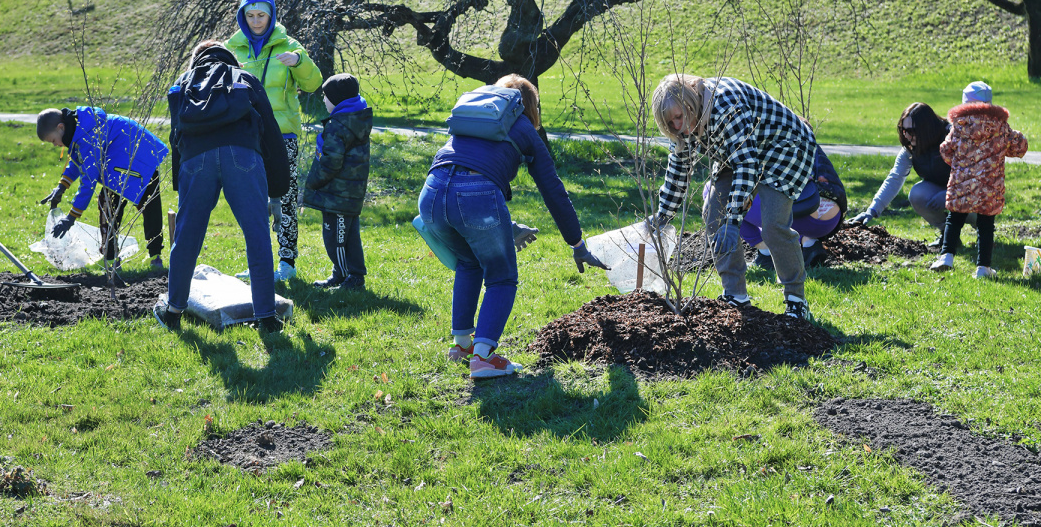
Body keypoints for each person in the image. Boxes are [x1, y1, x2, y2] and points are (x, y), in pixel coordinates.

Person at [416, 75, 607, 380]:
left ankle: (461, 346)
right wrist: (577, 244)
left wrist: (504, 226)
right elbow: (553, 190)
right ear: (529, 107)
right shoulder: (523, 127)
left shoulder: (474, 117)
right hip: (476, 198)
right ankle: (483, 358)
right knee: (502, 276)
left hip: (431, 192)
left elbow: (458, 170)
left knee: (468, 262)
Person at [648, 74, 817, 320]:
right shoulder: (682, 128)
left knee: (773, 225)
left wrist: (733, 220)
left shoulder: (726, 105)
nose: (677, 126)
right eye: (670, 122)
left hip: (784, 147)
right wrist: (664, 214)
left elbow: (747, 165)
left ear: (691, 104)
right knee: (713, 213)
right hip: (738, 153)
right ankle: (736, 295)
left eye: (679, 117)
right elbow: (678, 169)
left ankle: (797, 301)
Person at [153, 41, 290, 332]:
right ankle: (266, 317)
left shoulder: (183, 82)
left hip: (196, 159)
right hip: (243, 155)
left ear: (196, 60)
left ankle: (173, 311)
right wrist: (278, 187)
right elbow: (270, 131)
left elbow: (177, 135)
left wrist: (180, 183)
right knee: (256, 234)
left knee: (187, 236)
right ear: (230, 58)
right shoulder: (245, 78)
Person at [226, 0, 323, 283]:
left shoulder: (289, 45)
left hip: (283, 136)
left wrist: (300, 62)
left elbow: (313, 83)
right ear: (242, 16)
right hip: (246, 135)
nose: (256, 21)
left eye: (262, 15)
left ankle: (287, 262)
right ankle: (258, 263)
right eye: (250, 15)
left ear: (272, 15)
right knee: (251, 201)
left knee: (286, 197)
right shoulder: (232, 48)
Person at [36, 106, 168, 276]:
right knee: (130, 205)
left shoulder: (88, 135)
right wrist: (62, 186)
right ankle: (122, 260)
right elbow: (78, 158)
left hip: (137, 158)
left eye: (53, 140)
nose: (55, 145)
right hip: (131, 157)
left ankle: (125, 259)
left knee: (120, 205)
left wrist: (71, 217)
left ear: (60, 127)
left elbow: (88, 181)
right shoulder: (80, 126)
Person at [930, 81, 1028, 278]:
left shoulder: (959, 125)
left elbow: (945, 149)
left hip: (961, 182)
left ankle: (946, 257)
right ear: (989, 103)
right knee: (986, 225)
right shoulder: (1000, 126)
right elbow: (1019, 148)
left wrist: (958, 165)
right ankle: (983, 268)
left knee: (954, 219)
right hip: (990, 186)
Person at [846, 102, 960, 248]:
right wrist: (872, 210)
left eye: (911, 130)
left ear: (926, 128)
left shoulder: (953, 136)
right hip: (942, 190)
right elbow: (895, 178)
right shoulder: (910, 148)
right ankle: (948, 233)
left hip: (966, 192)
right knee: (918, 194)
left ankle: (981, 230)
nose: (906, 135)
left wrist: (950, 193)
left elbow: (973, 174)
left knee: (971, 206)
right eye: (903, 130)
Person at [725, 145, 847, 271]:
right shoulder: (809, 143)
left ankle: (766, 251)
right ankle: (810, 243)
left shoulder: (762, 144)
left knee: (723, 195)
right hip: (831, 218)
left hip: (801, 215)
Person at [304, 73, 373, 291]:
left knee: (335, 238)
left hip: (339, 195)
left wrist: (311, 184)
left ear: (337, 99)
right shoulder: (355, 119)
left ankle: (349, 276)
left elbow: (330, 163)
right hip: (347, 193)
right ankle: (346, 274)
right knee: (348, 237)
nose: (323, 100)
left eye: (326, 96)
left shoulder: (339, 125)